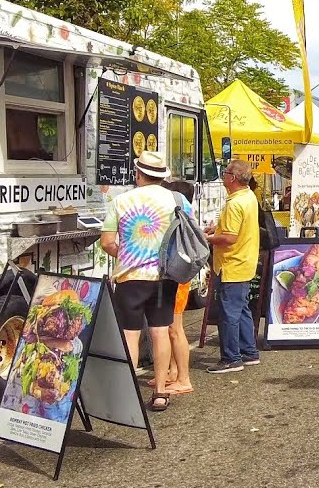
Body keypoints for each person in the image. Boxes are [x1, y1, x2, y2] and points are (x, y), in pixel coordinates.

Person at [99, 151, 192, 412]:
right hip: (165, 277)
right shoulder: (179, 200)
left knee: (130, 335)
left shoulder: (121, 201)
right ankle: (161, 392)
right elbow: (189, 235)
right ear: (161, 176)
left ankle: (125, 392)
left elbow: (106, 242)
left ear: (138, 174)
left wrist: (126, 253)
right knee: (160, 332)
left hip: (130, 277)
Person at [204, 160, 261, 375]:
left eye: (225, 172)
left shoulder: (235, 203)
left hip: (232, 264)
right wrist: (216, 229)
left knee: (229, 314)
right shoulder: (248, 196)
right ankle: (249, 351)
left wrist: (208, 238)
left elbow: (229, 237)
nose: (222, 175)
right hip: (244, 261)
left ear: (233, 178)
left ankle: (231, 358)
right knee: (242, 308)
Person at [160, 179, 198, 397]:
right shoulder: (185, 215)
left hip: (177, 278)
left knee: (175, 328)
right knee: (170, 329)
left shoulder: (177, 218)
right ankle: (173, 372)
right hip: (179, 276)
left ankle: (183, 377)